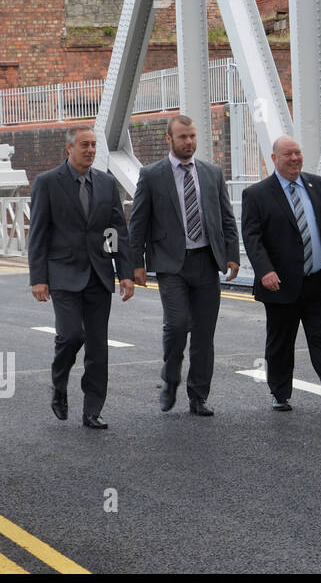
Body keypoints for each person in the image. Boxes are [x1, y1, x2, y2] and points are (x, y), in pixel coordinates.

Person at [128, 115, 240, 416]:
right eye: (182, 137)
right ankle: (171, 378)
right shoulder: (152, 175)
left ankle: (198, 396)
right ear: (169, 139)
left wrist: (232, 253)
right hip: (171, 264)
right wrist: (135, 264)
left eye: (192, 136)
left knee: (204, 334)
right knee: (177, 325)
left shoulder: (212, 173)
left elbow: (226, 217)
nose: (188, 142)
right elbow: (137, 222)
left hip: (206, 261)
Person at [240, 136, 321, 414]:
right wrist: (264, 270)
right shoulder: (257, 194)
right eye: (287, 154)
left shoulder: (317, 184)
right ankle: (280, 393)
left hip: (317, 278)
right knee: (281, 341)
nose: (294, 158)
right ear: (274, 159)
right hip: (279, 281)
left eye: (298, 153)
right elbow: (252, 237)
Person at [27, 127, 135, 429]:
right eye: (84, 145)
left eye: (94, 145)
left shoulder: (106, 183)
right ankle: (59, 385)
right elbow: (38, 233)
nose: (90, 149)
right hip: (63, 274)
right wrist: (38, 277)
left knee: (98, 348)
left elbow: (116, 231)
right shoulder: (48, 182)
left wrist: (124, 272)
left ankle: (92, 410)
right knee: (71, 335)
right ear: (69, 149)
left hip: (99, 275)